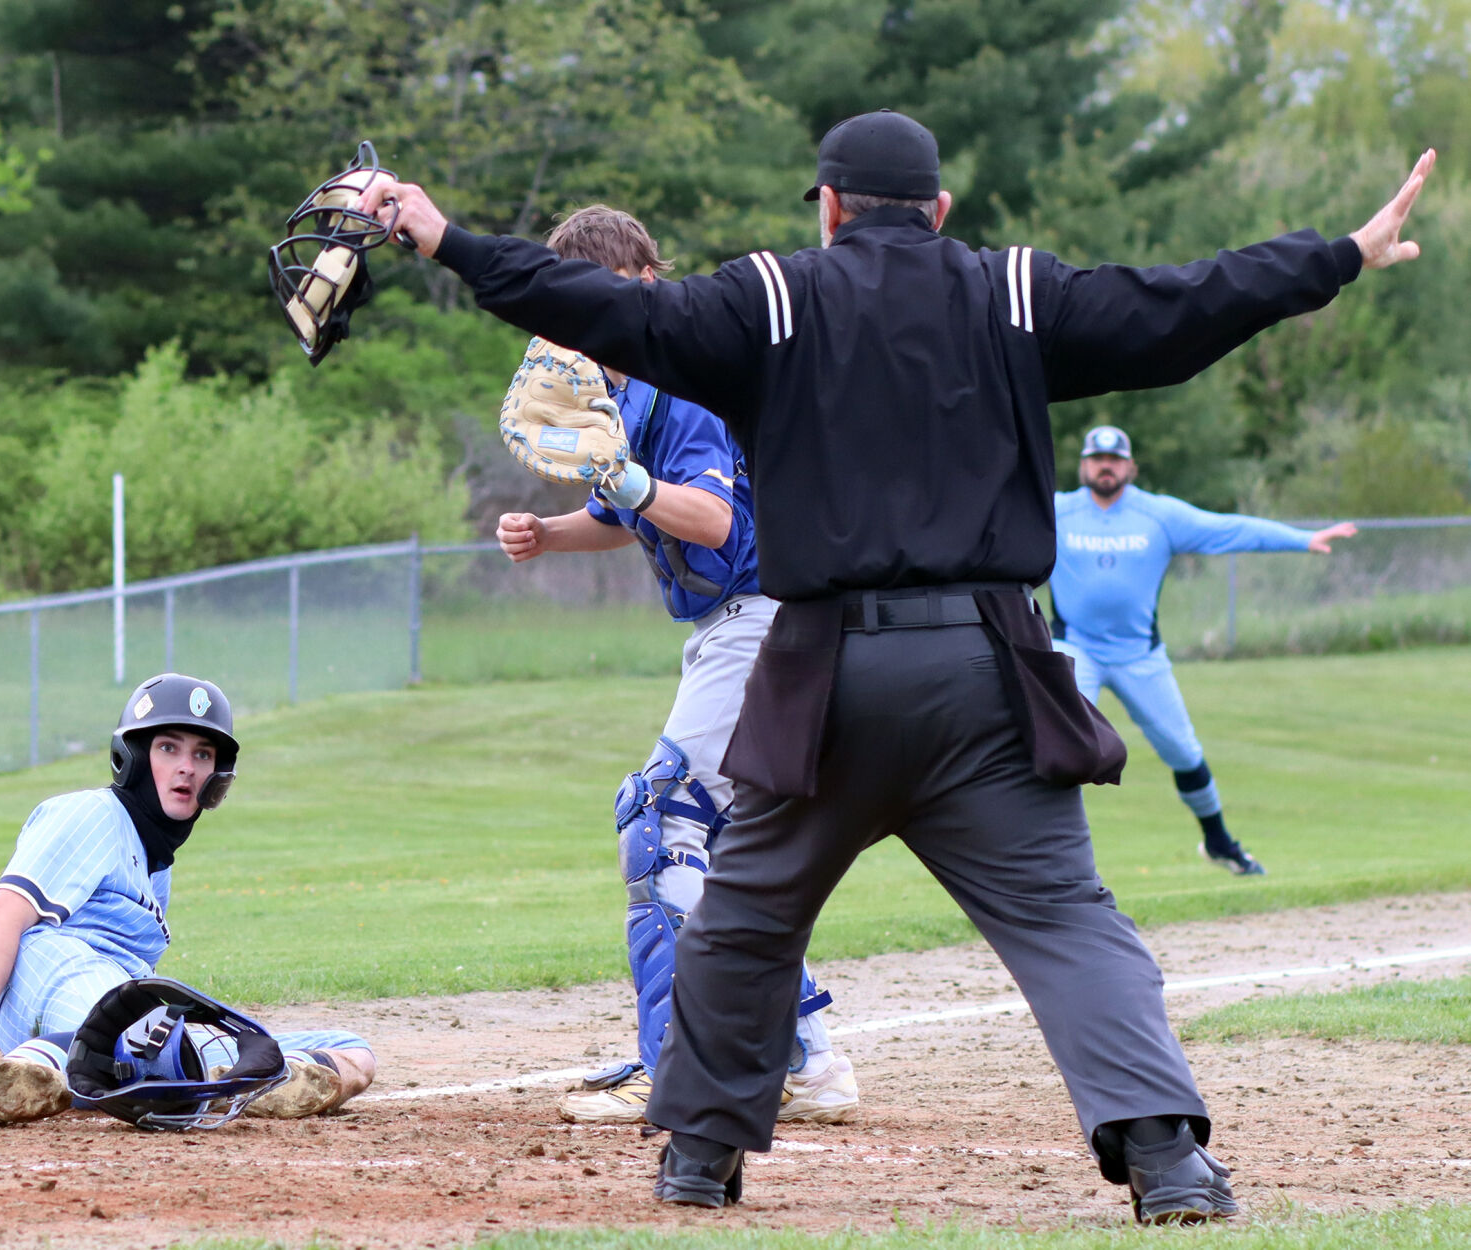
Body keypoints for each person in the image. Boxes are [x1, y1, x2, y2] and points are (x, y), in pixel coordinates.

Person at [352, 113, 1433, 1219]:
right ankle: (1167, 1161)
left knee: (743, 913)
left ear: (827, 205)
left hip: (825, 673)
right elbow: (1185, 303)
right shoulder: (1015, 292)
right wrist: (1337, 256)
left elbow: (605, 305)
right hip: (988, 669)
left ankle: (698, 1156)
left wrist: (447, 238)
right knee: (1066, 918)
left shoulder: (769, 301)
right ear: (940, 212)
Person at [496, 204, 856, 1126]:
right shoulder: (638, 389)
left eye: (592, 303)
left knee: (660, 818)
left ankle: (681, 1065)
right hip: (755, 623)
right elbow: (629, 517)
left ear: (636, 288)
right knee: (728, 855)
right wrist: (548, 533)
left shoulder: (683, 382)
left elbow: (712, 518)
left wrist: (619, 480)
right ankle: (805, 1057)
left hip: (760, 618)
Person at [0, 672, 376, 1125]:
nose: (187, 767)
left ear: (218, 776)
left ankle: (190, 1079)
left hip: (128, 1012)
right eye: (168, 747)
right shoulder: (90, 815)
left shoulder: (156, 861)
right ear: (130, 756)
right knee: (132, 1030)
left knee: (352, 1051)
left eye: (203, 753)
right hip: (52, 968)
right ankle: (12, 1075)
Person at [1052, 426, 1359, 876]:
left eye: (1114, 459)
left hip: (1140, 656)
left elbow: (1230, 529)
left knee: (1182, 750)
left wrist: (1301, 538)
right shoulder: (1055, 510)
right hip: (1076, 649)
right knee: (1065, 748)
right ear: (1083, 464)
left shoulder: (1157, 515)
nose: (1105, 466)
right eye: (1097, 458)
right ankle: (1054, 861)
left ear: (1130, 466)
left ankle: (1218, 842)